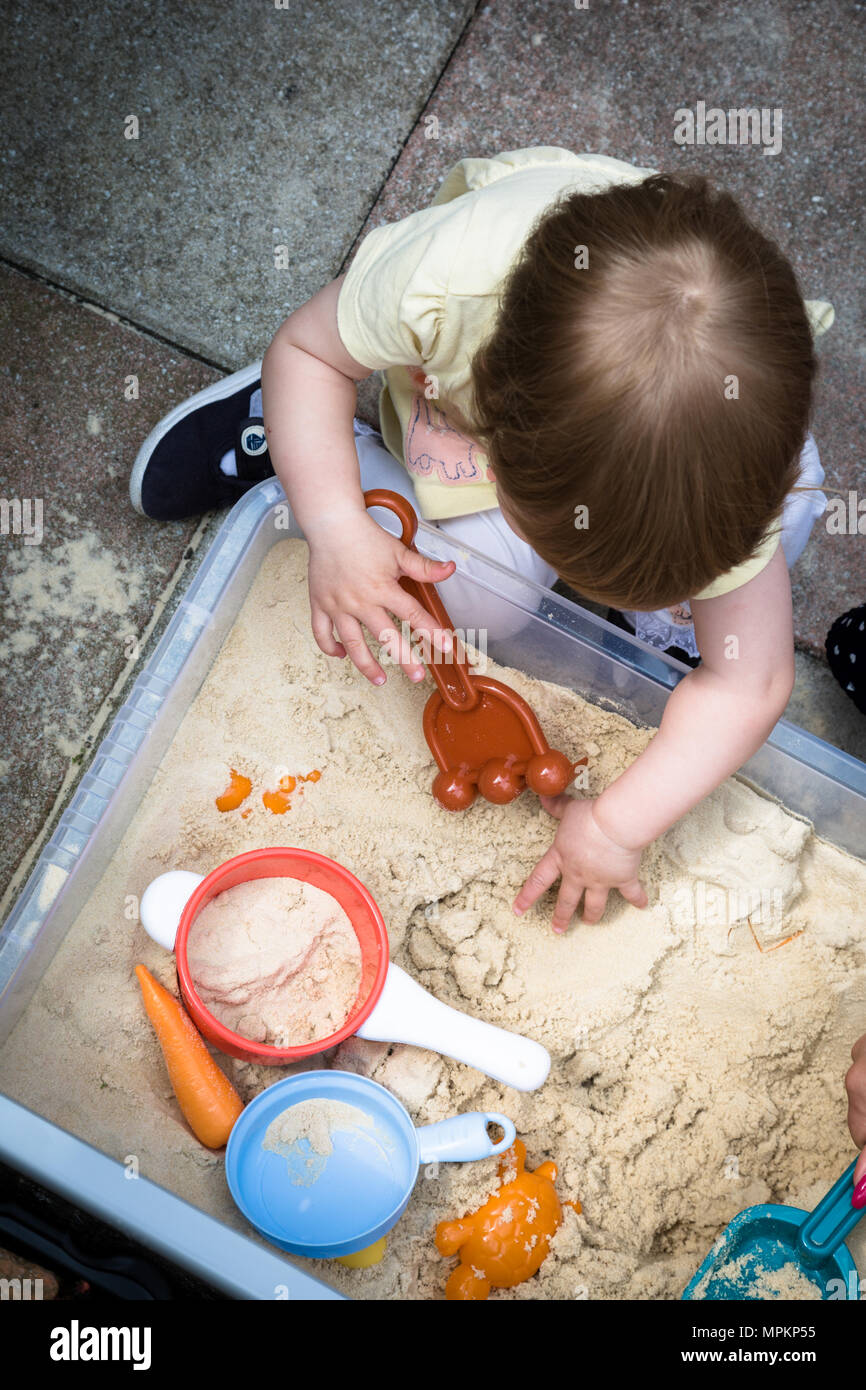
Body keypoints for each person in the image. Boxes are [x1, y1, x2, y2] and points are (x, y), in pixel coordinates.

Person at [131, 147, 833, 932]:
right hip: (461, 398)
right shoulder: (437, 283)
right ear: (508, 460)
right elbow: (308, 352)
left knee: (794, 517)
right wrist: (335, 528)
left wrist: (613, 825)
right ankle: (286, 433)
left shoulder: (741, 435)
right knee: (474, 599)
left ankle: (658, 611)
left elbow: (752, 684)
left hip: (646, 436)